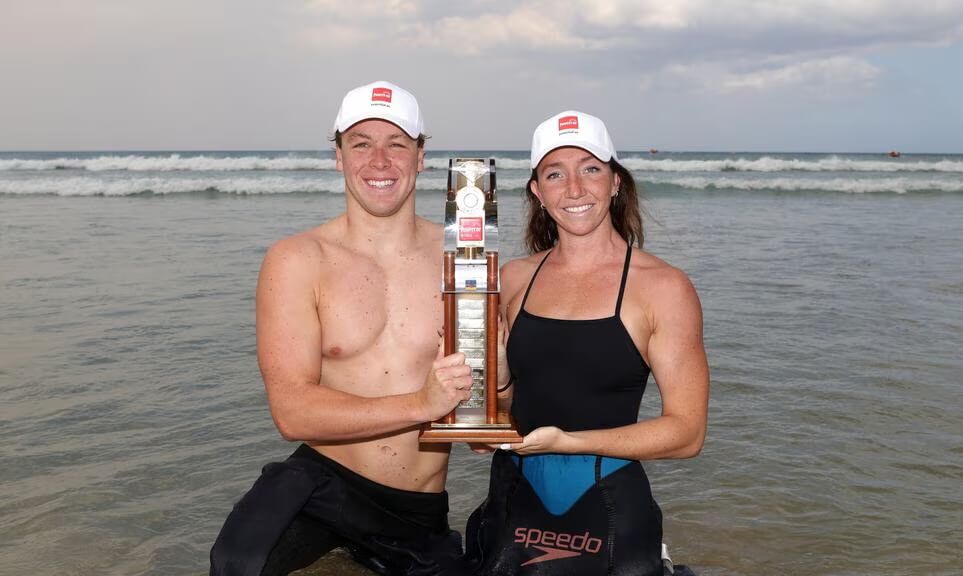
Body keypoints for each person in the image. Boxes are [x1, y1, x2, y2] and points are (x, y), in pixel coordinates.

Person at [210, 81, 475, 576]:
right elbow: (292, 412)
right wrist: (421, 405)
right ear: (338, 156)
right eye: (360, 143)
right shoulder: (297, 259)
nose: (379, 160)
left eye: (397, 143)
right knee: (237, 563)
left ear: (421, 156)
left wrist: (497, 382)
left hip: (417, 507)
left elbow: (490, 417)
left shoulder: (464, 259)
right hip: (322, 485)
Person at [463, 111, 709, 575]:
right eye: (556, 174)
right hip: (514, 500)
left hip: (609, 504)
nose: (574, 189)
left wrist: (569, 441)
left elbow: (687, 433)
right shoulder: (513, 278)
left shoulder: (663, 287)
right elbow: (505, 412)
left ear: (615, 181)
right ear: (538, 191)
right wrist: (491, 388)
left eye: (590, 169)